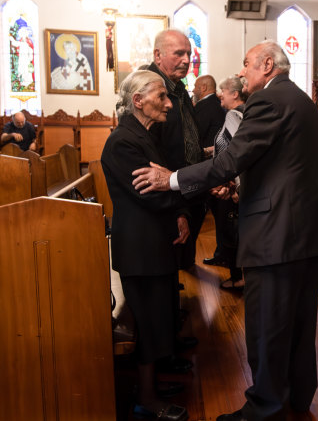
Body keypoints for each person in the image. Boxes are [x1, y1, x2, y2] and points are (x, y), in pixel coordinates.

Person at [132, 41, 318, 421]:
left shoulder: (267, 101)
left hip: (277, 235)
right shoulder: (302, 99)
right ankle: (298, 397)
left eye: (246, 65)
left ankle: (264, 408)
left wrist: (172, 179)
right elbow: (282, 166)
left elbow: (231, 158)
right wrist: (240, 188)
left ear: (268, 65)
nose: (241, 73)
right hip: (307, 234)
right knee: (301, 324)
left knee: (268, 326)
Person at [101, 71, 189, 421]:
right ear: (138, 101)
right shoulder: (124, 141)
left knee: (161, 313)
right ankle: (147, 399)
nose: (169, 103)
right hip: (140, 247)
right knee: (150, 322)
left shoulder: (147, 135)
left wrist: (180, 209)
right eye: (162, 97)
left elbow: (167, 179)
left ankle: (152, 384)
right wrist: (179, 200)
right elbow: (150, 192)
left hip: (154, 242)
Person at [147, 30, 205, 267]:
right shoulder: (150, 86)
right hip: (168, 190)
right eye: (179, 53)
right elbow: (150, 150)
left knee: (182, 258)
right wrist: (176, 207)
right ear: (158, 55)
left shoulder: (178, 86)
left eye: (189, 54)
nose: (186, 60)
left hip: (187, 185)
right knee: (167, 257)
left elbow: (186, 134)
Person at [207, 74, 247, 288]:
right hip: (233, 182)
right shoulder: (243, 112)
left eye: (223, 91)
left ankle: (238, 277)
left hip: (230, 185)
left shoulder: (233, 114)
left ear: (235, 94)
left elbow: (238, 151)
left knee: (230, 230)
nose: (219, 95)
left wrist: (236, 187)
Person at [192, 74, 225, 149]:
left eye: (195, 86)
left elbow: (195, 134)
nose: (193, 90)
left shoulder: (206, 106)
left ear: (203, 88)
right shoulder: (215, 102)